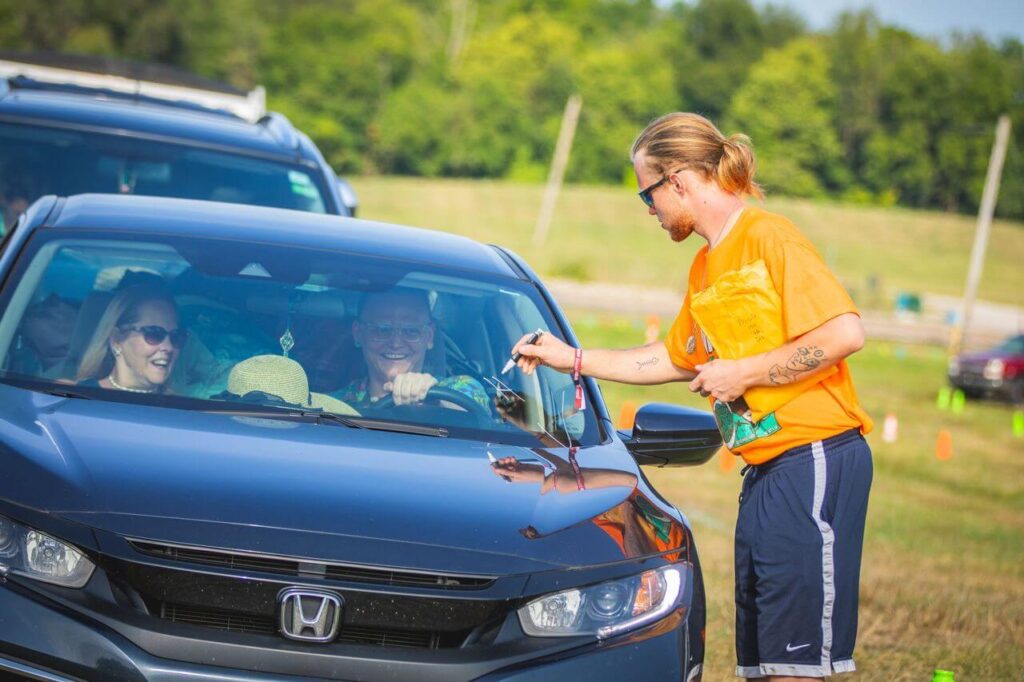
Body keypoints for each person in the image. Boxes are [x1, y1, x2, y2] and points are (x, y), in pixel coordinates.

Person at [512, 113, 873, 681]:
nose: (648, 210)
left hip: (815, 457)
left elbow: (843, 333)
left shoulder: (768, 237)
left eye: (647, 194)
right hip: (764, 470)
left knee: (798, 666)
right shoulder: (706, 264)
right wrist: (573, 359)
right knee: (764, 663)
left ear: (678, 179)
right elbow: (677, 358)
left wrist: (743, 373)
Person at [333, 289, 488, 410]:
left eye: (411, 331)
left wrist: (435, 400)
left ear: (429, 337)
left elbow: (472, 409)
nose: (395, 343)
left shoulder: (460, 387)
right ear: (358, 333)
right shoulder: (335, 404)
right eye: (382, 330)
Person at [76, 285, 186, 393]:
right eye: (154, 334)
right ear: (117, 340)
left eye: (176, 336)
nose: (169, 347)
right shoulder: (77, 397)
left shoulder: (182, 408)